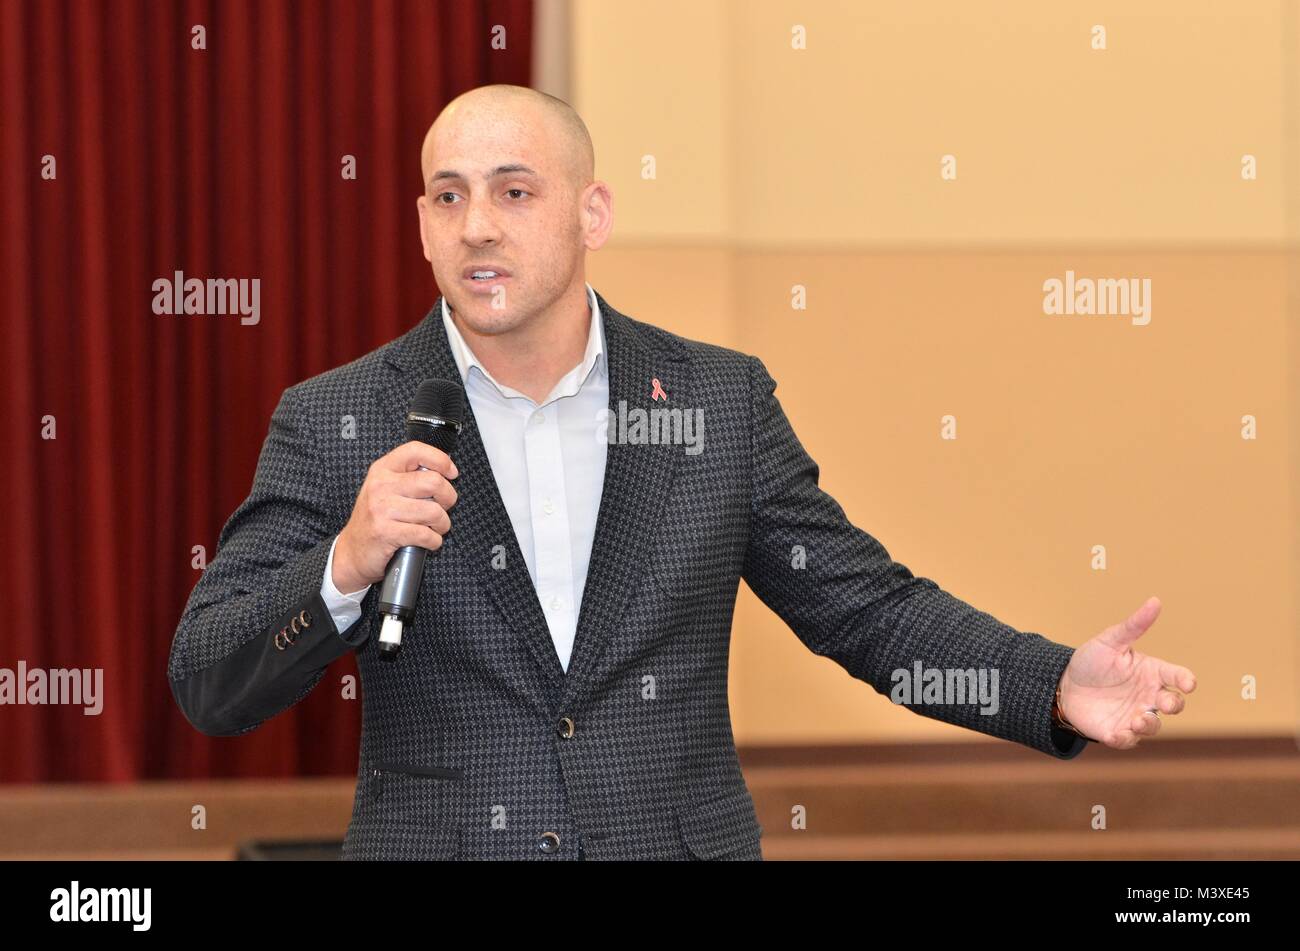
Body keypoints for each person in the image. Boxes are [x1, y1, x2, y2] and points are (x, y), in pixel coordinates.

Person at [167, 84, 1197, 861]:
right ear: (424, 222)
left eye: (514, 192)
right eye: (449, 196)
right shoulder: (336, 418)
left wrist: (1050, 682)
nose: (477, 225)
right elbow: (209, 679)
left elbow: (867, 610)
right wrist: (344, 565)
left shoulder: (715, 403)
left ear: (591, 214)